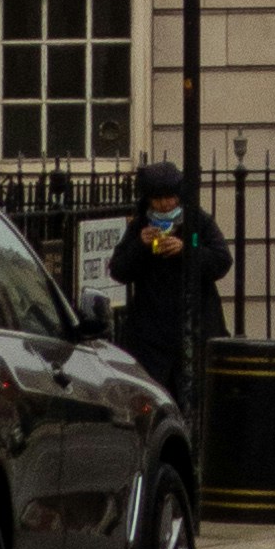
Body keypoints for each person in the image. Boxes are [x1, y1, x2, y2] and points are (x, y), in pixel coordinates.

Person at [104, 159, 232, 414]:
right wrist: (140, 245)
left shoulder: (198, 222)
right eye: (157, 199)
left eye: (170, 198)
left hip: (194, 327)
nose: (165, 204)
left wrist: (188, 250)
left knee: (196, 406)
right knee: (156, 405)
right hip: (152, 334)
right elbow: (119, 270)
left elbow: (222, 260)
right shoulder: (140, 226)